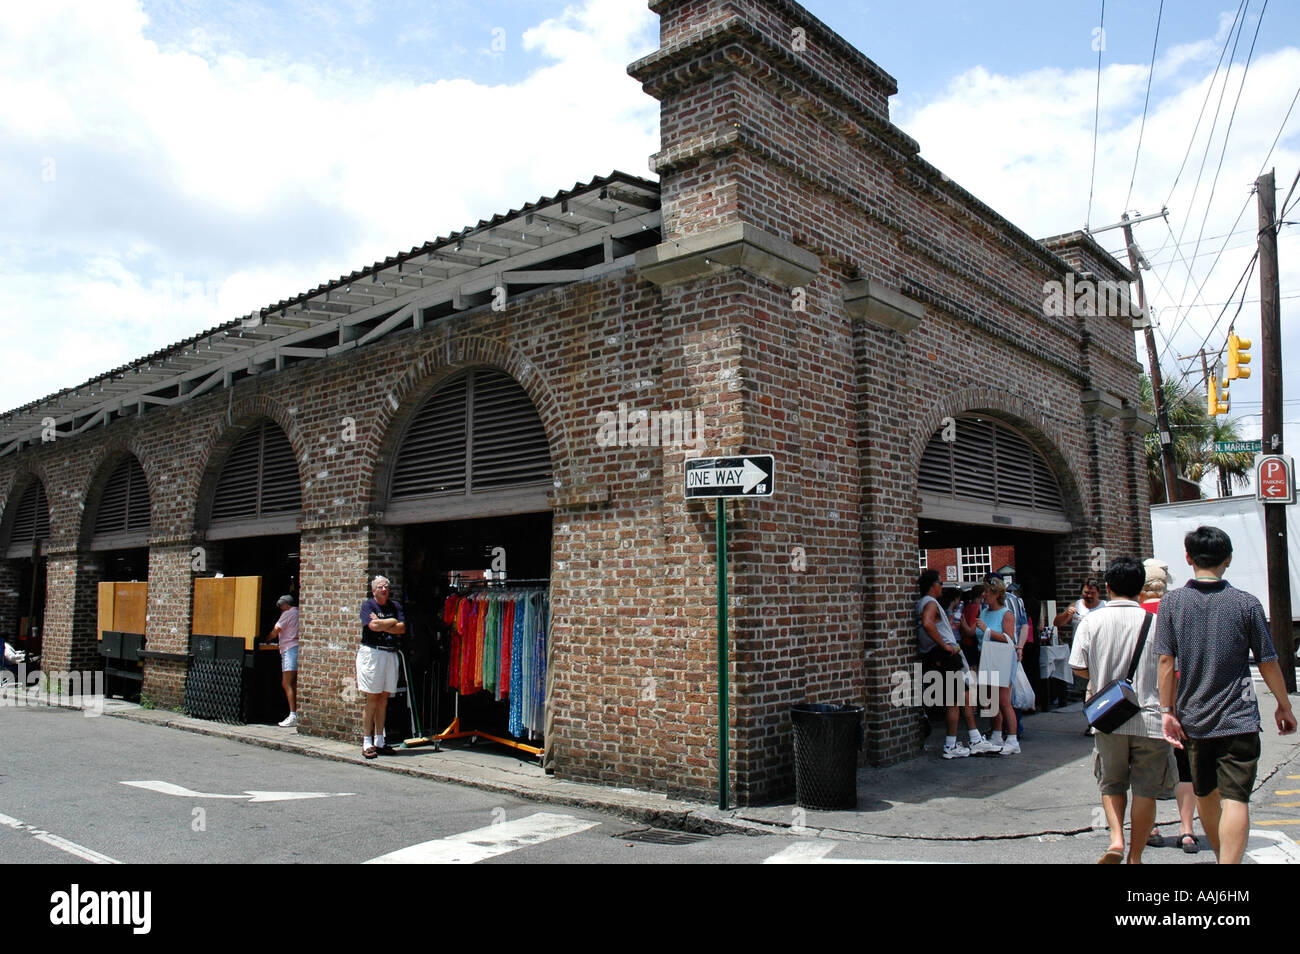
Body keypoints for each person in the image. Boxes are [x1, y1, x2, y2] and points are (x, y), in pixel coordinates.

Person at [1156, 526, 1297, 864]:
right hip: (1239, 718)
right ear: (1228, 559)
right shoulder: (1246, 603)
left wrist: (1166, 710)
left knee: (1205, 793)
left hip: (1194, 719)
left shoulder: (1172, 603)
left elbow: (1164, 660)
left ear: (1188, 558)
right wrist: (1284, 704)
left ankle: (1223, 857)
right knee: (1236, 798)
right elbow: (1267, 661)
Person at [1069, 557, 1175, 864]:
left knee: (1112, 782)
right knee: (1145, 790)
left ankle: (1116, 838)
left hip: (1109, 717)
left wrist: (1102, 676)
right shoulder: (1157, 623)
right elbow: (1169, 668)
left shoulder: (1092, 621)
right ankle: (1136, 855)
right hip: (1151, 716)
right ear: (1141, 589)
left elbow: (1078, 666)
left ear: (1108, 587)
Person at [1139, 560, 1200, 853]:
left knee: (1145, 768)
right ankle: (1187, 830)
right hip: (1181, 699)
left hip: (1145, 703)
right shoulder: (1181, 613)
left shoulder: (1135, 615)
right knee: (1185, 768)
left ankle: (1149, 827)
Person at [915, 571, 1001, 759]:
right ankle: (952, 744)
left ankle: (973, 739)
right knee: (957, 701)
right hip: (947, 656)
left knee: (961, 699)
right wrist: (944, 644)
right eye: (940, 582)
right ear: (933, 585)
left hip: (941, 656)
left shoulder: (923, 603)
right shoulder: (930, 603)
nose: (942, 586)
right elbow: (928, 623)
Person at [358, 575, 406, 759]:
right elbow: (372, 626)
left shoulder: (395, 606)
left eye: (386, 586)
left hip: (390, 653)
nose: (384, 589)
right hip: (373, 653)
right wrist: (391, 622)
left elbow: (401, 628)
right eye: (380, 587)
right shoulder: (368, 606)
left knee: (384, 698)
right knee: (372, 697)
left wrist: (383, 623)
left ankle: (380, 739)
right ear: (373, 590)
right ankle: (366, 740)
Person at [974, 577, 1019, 754]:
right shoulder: (984, 612)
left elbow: (1009, 639)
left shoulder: (1006, 613)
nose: (984, 595)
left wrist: (987, 630)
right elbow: (976, 633)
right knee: (989, 700)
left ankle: (1013, 739)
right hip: (986, 658)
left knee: (1003, 700)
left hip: (1001, 658)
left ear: (997, 595)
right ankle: (997, 735)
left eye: (987, 592)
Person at [268, 594, 300, 727]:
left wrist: (267, 638)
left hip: (289, 649)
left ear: (286, 605)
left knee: (286, 682)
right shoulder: (299, 612)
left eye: (281, 607)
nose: (281, 610)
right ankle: (297, 712)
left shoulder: (288, 613)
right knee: (294, 682)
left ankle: (293, 715)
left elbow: (276, 630)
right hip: (296, 647)